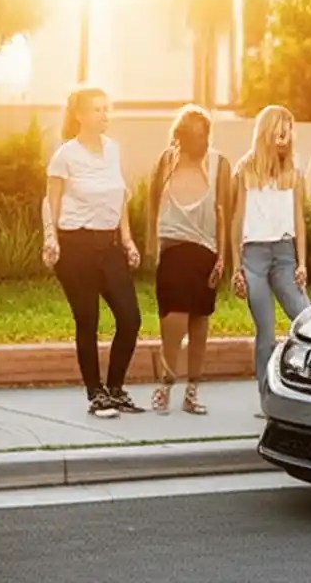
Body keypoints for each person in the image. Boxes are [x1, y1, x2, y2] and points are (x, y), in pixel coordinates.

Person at [41, 86, 144, 418]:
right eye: (97, 109)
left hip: (109, 244)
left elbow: (121, 196)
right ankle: (95, 393)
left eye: (106, 109)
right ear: (80, 116)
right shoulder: (65, 155)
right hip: (75, 247)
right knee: (88, 320)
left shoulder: (112, 150)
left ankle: (115, 388)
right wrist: (51, 239)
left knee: (130, 318)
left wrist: (127, 240)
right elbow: (50, 202)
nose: (104, 115)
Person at [145, 104, 231, 415]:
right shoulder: (166, 160)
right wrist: (149, 248)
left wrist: (222, 258)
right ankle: (165, 384)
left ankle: (192, 391)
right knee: (173, 318)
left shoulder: (219, 164)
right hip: (172, 249)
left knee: (199, 323)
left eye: (205, 135)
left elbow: (225, 212)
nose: (202, 141)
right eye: (195, 135)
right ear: (180, 136)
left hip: (205, 251)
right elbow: (152, 206)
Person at [230, 105, 311, 397]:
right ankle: (267, 394)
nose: (284, 134)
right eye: (279, 128)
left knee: (307, 319)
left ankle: (304, 383)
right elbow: (236, 220)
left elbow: (299, 219)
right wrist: (236, 266)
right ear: (267, 130)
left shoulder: (294, 172)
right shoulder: (245, 169)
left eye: (288, 129)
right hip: (254, 257)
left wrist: (302, 263)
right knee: (265, 331)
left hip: (285, 255)